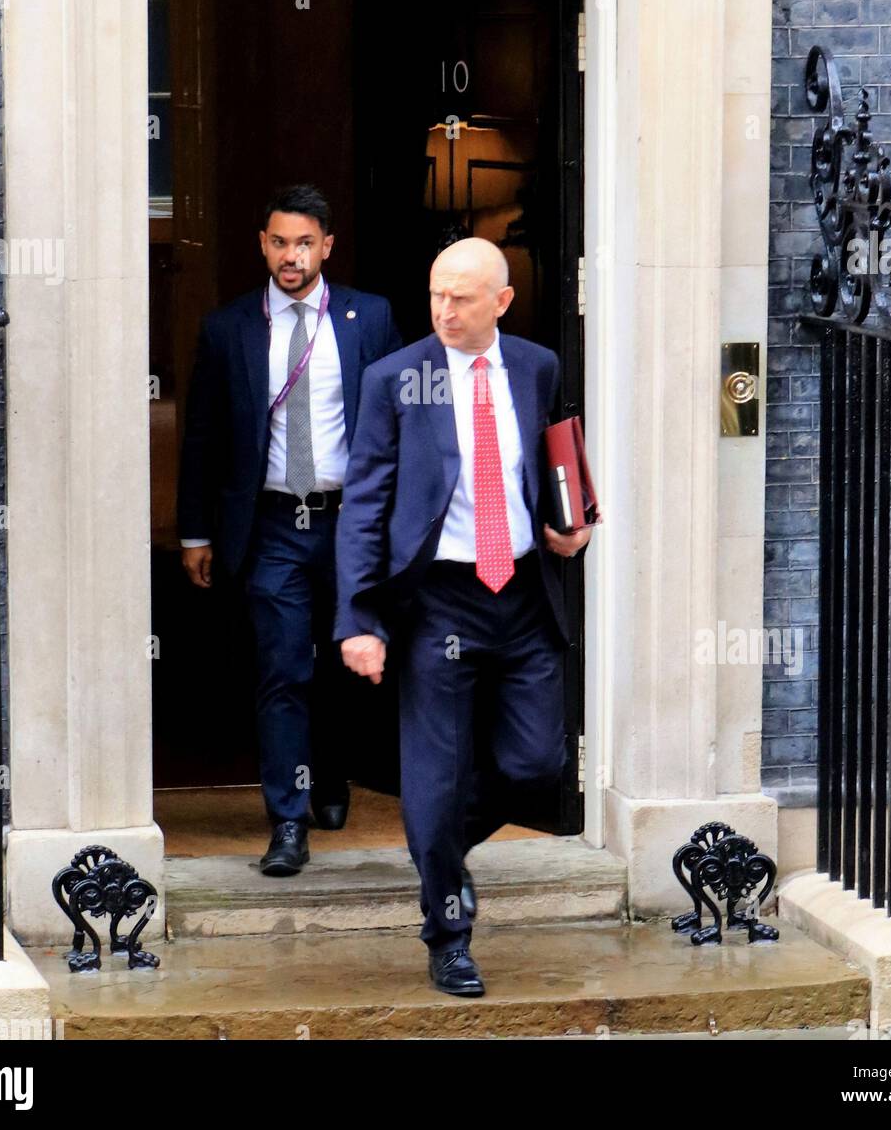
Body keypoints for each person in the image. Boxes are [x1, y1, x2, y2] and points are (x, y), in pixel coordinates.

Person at [334, 237, 594, 996]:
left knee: (537, 767)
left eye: (463, 298)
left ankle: (438, 845)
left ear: (501, 302)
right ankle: (448, 930)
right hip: (438, 599)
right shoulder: (394, 379)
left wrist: (573, 520)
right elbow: (365, 505)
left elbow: (556, 453)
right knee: (435, 783)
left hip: (521, 593)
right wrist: (358, 619)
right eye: (436, 295)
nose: (445, 311)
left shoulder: (535, 366)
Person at [177, 184, 401, 876]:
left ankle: (328, 775)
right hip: (271, 524)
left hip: (350, 524)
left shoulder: (371, 318)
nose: (291, 255)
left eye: (304, 243)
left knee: (341, 660)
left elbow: (400, 425)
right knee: (281, 668)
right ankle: (288, 821)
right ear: (263, 245)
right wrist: (195, 532)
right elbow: (203, 438)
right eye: (279, 242)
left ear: (326, 247)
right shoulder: (230, 328)